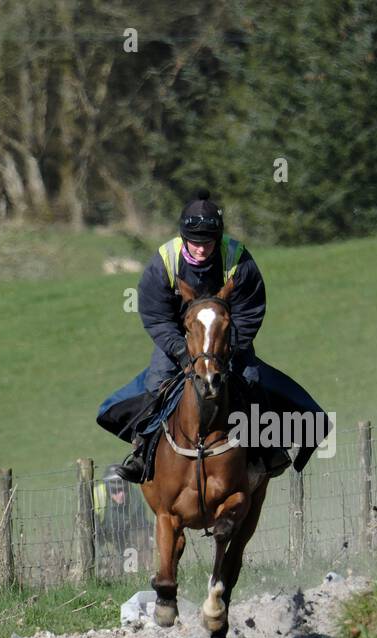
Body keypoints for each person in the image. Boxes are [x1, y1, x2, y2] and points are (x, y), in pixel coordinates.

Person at [96, 189, 330, 483]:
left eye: (208, 242)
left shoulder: (238, 258)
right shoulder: (163, 262)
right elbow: (156, 317)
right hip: (178, 345)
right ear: (184, 237)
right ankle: (142, 454)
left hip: (227, 343)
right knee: (156, 384)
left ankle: (267, 449)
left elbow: (250, 311)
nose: (202, 249)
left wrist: (227, 348)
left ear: (217, 237)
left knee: (251, 380)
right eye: (195, 242)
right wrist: (182, 352)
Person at [92, 463, 152, 573]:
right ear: (108, 488)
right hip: (100, 534)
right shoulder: (97, 495)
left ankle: (131, 575)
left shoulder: (134, 496)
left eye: (123, 490)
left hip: (124, 535)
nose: (121, 495)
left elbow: (141, 526)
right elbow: (88, 530)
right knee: (103, 560)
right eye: (116, 491)